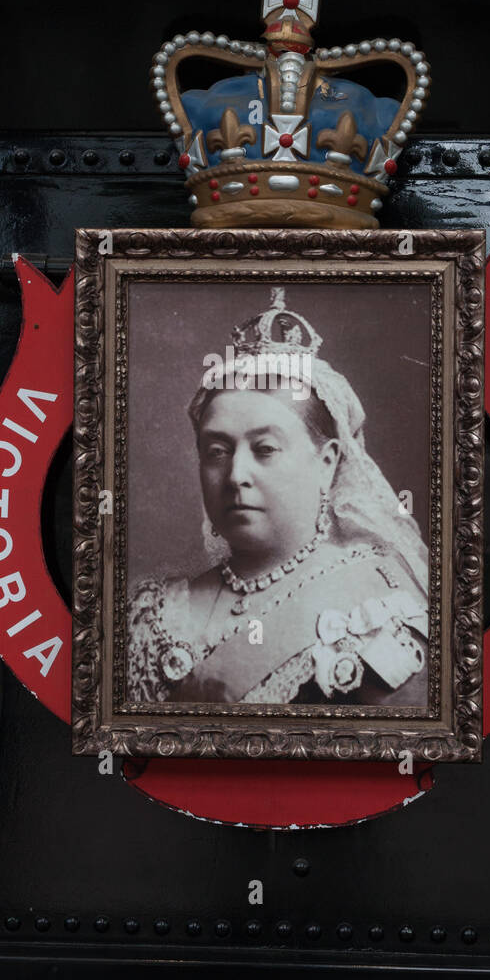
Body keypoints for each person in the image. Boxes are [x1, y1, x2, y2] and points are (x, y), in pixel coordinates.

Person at [127, 287, 429, 707]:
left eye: (265, 449)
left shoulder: (378, 607)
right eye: (217, 451)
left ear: (327, 462)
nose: (235, 476)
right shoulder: (158, 609)